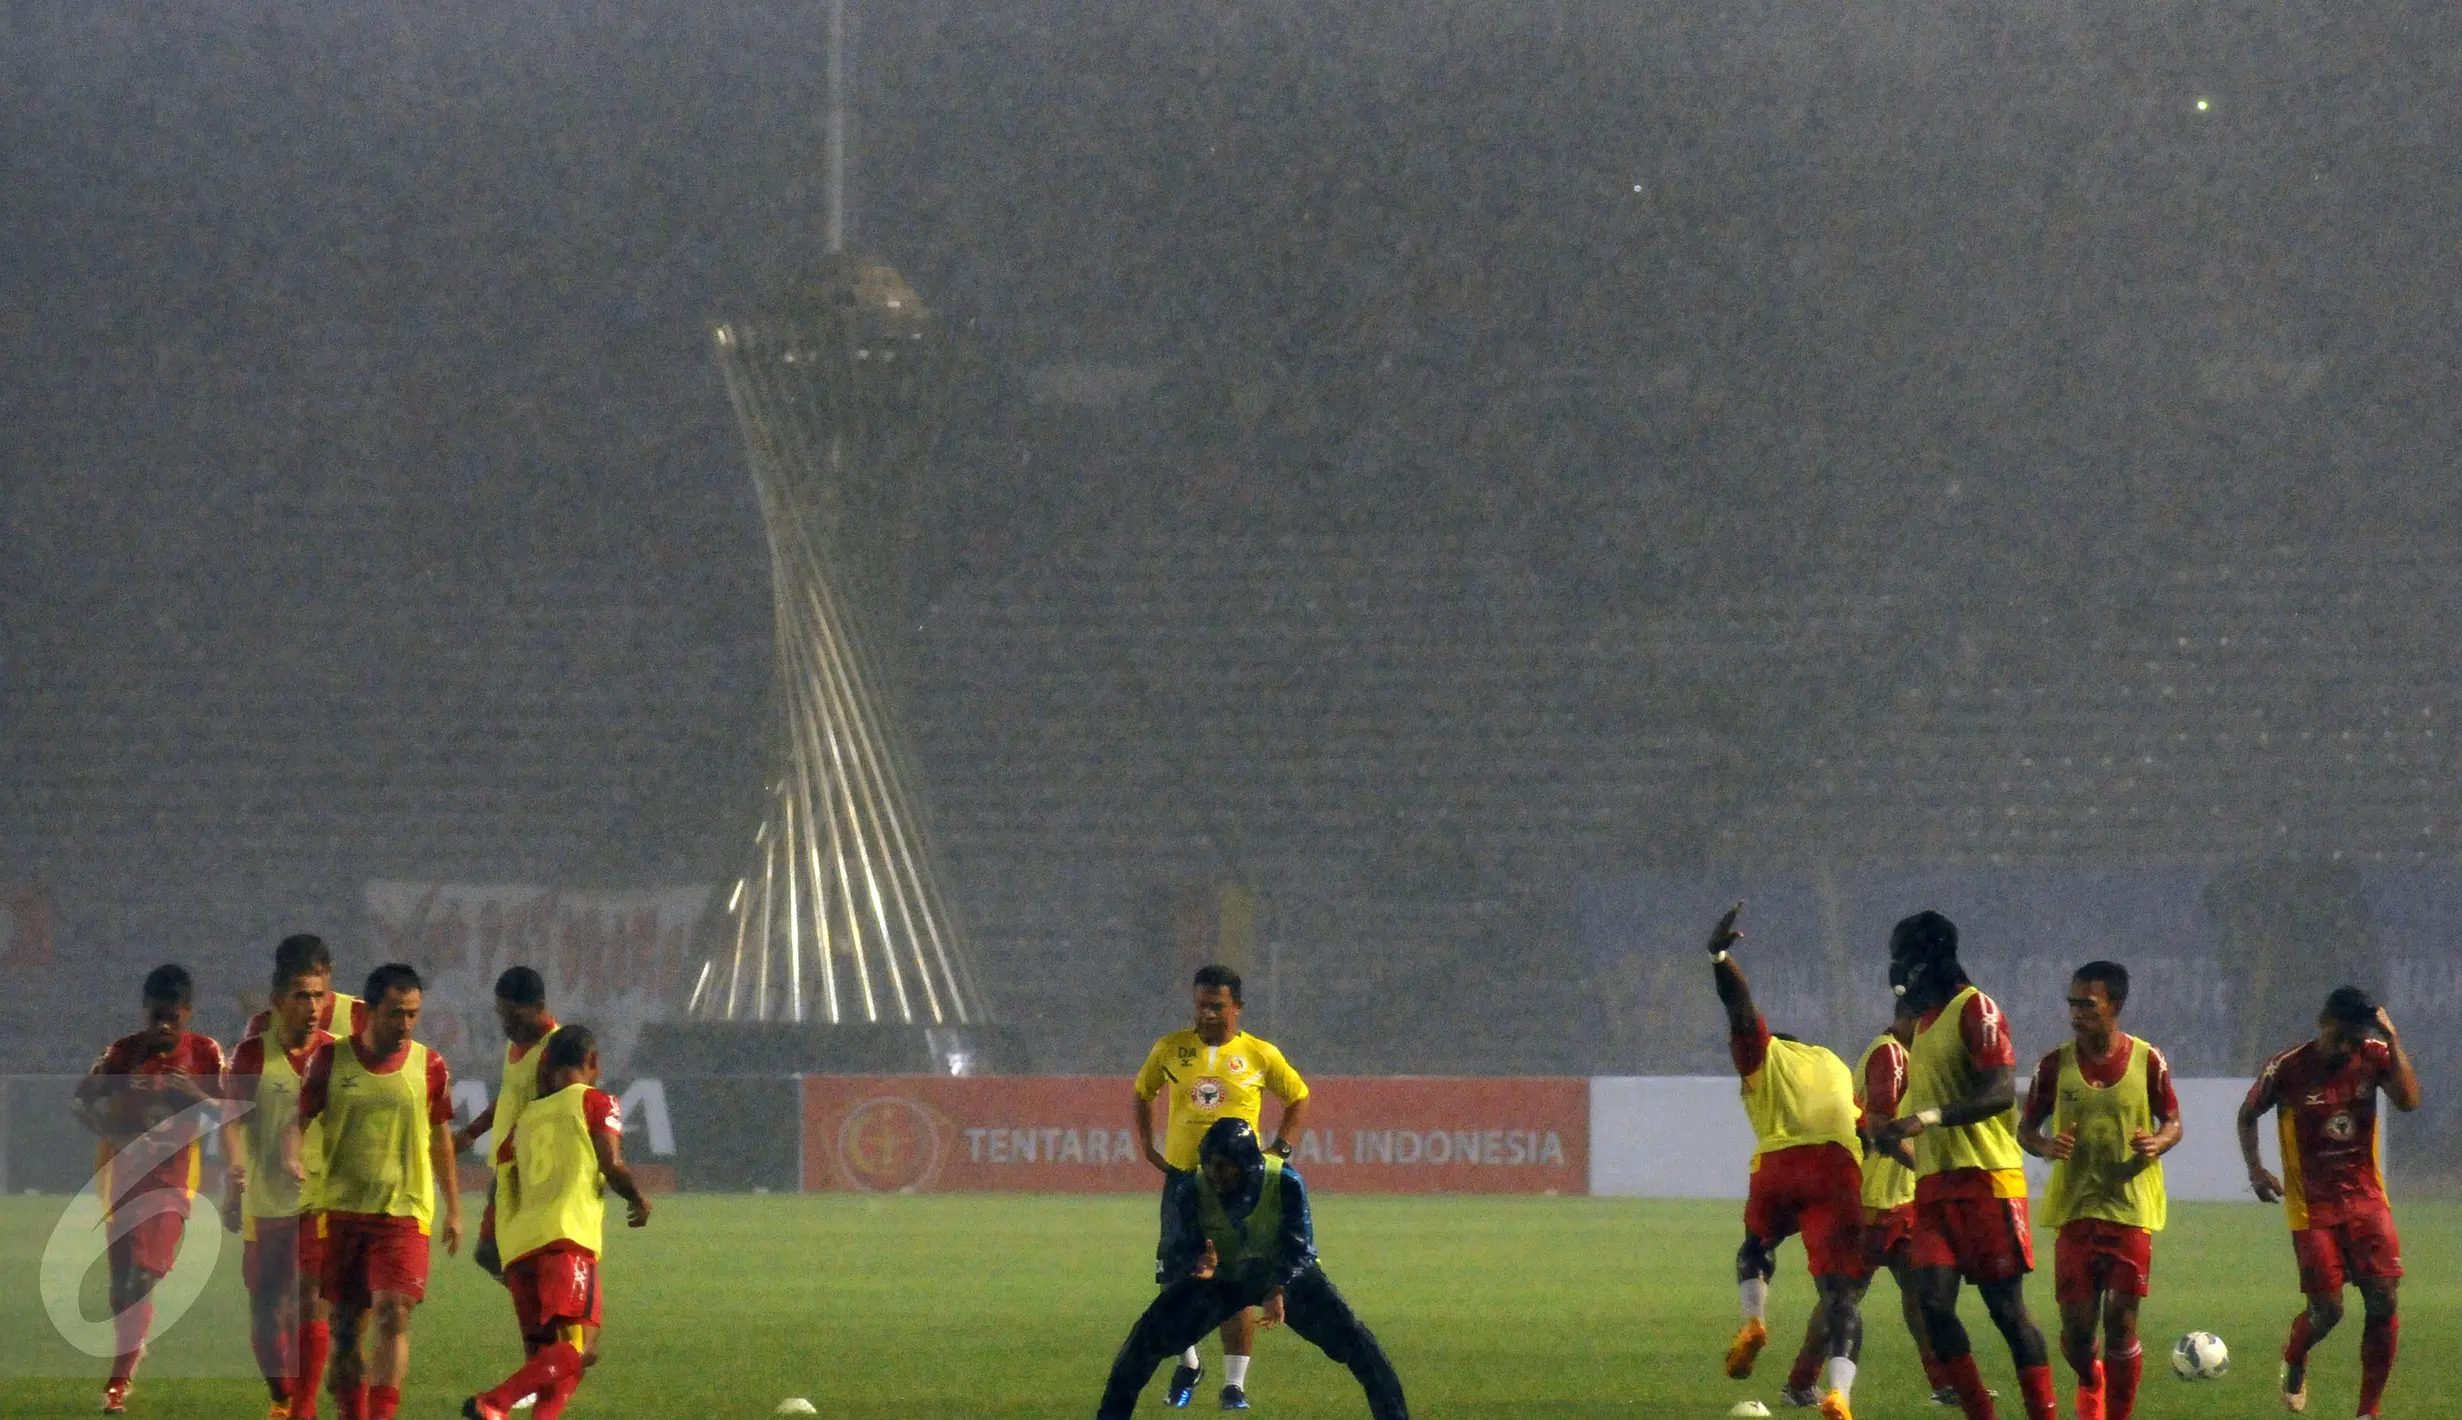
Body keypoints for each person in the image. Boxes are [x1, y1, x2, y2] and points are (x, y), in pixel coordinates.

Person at [1870, 911, 2059, 1420]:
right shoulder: (1925, 1025)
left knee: (2006, 1312)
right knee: (1931, 1306)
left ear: (1928, 958)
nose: (1900, 974)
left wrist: (1923, 1119)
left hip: (1987, 1183)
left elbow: (1999, 1092)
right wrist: (1887, 1130)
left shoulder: (1975, 1007)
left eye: (1905, 960)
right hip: (1932, 1189)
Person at [1096, 1118, 1408, 1420]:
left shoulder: (1284, 1181)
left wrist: (1278, 1288)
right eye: (1210, 1165)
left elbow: (1300, 1249)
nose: (1215, 1175)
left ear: (1245, 1163)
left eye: (1224, 1166)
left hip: (1286, 1277)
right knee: (1142, 1344)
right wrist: (1196, 1265)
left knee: (1359, 1346)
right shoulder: (1192, 1189)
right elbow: (1180, 1248)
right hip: (1222, 1281)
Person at [1700, 904, 1865, 1420]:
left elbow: (1742, 1010)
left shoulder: (1763, 1056)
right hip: (1838, 1170)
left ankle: (1754, 1318)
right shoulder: (1833, 1064)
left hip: (1778, 1168)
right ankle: (1838, 1393)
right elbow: (1866, 1126)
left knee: (1755, 1246)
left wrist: (1719, 956)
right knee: (1840, 1296)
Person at [2237, 986, 2421, 1419]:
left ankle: (2367, 1411)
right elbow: (2247, 1115)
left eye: (2357, 1038)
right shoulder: (2288, 1067)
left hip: (2366, 1199)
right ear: (2324, 1022)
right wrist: (2257, 1170)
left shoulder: (2374, 1054)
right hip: (2312, 1208)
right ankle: (2296, 1356)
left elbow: (2409, 1102)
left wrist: (2393, 1042)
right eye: (2343, 1036)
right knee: (2328, 1311)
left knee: (2384, 1300)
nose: (2349, 1046)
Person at [1132, 964, 1310, 1410]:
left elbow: (1298, 1096)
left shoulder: (1259, 1054)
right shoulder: (1171, 1049)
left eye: (1217, 1006)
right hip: (1183, 1179)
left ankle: (1235, 1385)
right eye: (1201, 1005)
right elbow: (1142, 1092)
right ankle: (1190, 1362)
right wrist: (1147, 1146)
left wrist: (1280, 1150)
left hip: (1236, 1190)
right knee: (1174, 1278)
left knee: (1237, 1279)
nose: (1207, 1014)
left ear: (1237, 1008)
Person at [296, 963, 462, 1420]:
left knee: (394, 1312)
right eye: (395, 1013)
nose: (405, 1024)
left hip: (405, 1211)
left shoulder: (429, 1065)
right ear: (370, 1010)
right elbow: (300, 1119)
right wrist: (292, 1160)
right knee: (347, 1330)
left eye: (413, 1014)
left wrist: (452, 1208)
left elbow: (440, 1137)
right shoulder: (330, 1061)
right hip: (342, 1211)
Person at [2017, 962, 2181, 1420]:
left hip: (2130, 1208)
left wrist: (2157, 1142)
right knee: (2075, 1333)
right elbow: (2025, 1129)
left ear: (2116, 1006)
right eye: (2072, 1003)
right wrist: (2046, 1145)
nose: (2076, 1013)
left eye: (2087, 1004)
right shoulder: (2054, 1065)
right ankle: (2091, 1380)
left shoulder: (2149, 1060)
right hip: (2075, 1209)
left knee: (2122, 1322)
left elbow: (2174, 1122)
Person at [462, 1025, 651, 1420]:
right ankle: (493, 1402)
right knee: (581, 1349)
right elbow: (612, 1164)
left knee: (552, 1361)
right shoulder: (597, 1102)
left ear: (546, 1067)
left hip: (520, 1253)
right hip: (566, 1242)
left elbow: (503, 1185)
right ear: (593, 1062)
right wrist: (637, 1197)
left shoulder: (524, 1119)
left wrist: (496, 1245)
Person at [72, 964, 229, 1415]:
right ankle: (129, 1353)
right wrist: (112, 1127)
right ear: (145, 1011)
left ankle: (117, 1383)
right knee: (122, 1284)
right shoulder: (123, 1053)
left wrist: (195, 1093)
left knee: (142, 1276)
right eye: (156, 1016)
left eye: (172, 1018)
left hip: (174, 1178)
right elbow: (81, 1101)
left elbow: (230, 1113)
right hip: (122, 1177)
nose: (163, 1026)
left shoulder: (204, 1053)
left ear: (188, 1014)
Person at [224, 937, 343, 1420]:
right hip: (265, 1200)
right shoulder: (253, 1054)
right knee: (266, 1307)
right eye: (301, 995)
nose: (312, 1007)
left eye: (319, 996)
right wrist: (233, 1178)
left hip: (320, 1200)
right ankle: (282, 1396)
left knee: (313, 1300)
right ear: (278, 1001)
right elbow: (231, 1119)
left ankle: (304, 1410)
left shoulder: (339, 1054)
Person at [1852, 994, 1958, 1407]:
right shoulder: (1891, 1056)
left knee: (1922, 1294)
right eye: (1929, 1024)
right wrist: (1924, 1170)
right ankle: (1801, 1382)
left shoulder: (1904, 1056)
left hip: (1900, 1200)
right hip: (1872, 1201)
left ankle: (1944, 1384)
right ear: (1912, 1020)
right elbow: (1882, 1130)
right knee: (1844, 1297)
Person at [449, 966, 561, 1281]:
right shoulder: (517, 1044)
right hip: (508, 1165)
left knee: (511, 1253)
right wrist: (472, 1132)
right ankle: (546, 1310)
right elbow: (509, 1096)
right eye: (502, 1015)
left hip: (537, 1171)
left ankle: (550, 1311)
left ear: (539, 1008)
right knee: (491, 1253)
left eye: (513, 1015)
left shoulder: (556, 1051)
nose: (506, 1024)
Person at [245, 933, 366, 1041]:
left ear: (329, 971)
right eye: (298, 975)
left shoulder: (359, 1014)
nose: (308, 982)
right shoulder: (264, 1025)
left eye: (316, 973)